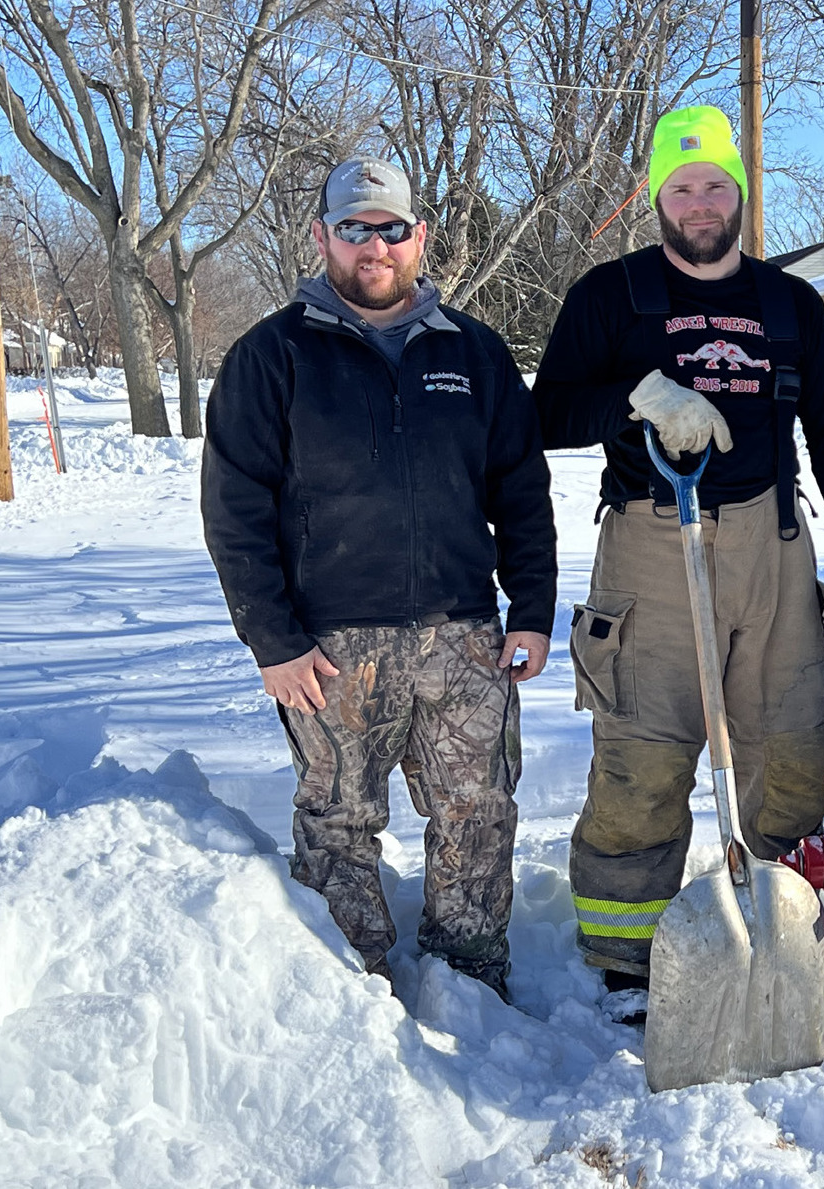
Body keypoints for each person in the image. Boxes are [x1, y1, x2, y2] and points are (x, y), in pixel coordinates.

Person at [202, 156, 556, 1001]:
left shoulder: (473, 352)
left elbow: (520, 490)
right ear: (322, 236)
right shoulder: (272, 356)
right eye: (354, 228)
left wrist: (532, 608)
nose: (374, 246)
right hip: (330, 648)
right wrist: (274, 640)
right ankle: (346, 992)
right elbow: (234, 510)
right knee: (338, 823)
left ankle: (470, 978)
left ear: (418, 237)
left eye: (391, 228)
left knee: (478, 809)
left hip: (464, 637)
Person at [534, 106, 824, 1022]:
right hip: (650, 544)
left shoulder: (790, 305)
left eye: (716, 184)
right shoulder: (611, 294)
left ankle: (779, 925)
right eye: (682, 188)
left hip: (770, 545)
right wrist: (637, 395)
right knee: (643, 758)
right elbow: (543, 414)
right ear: (656, 199)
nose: (701, 202)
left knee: (792, 749)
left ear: (740, 193)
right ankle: (625, 960)